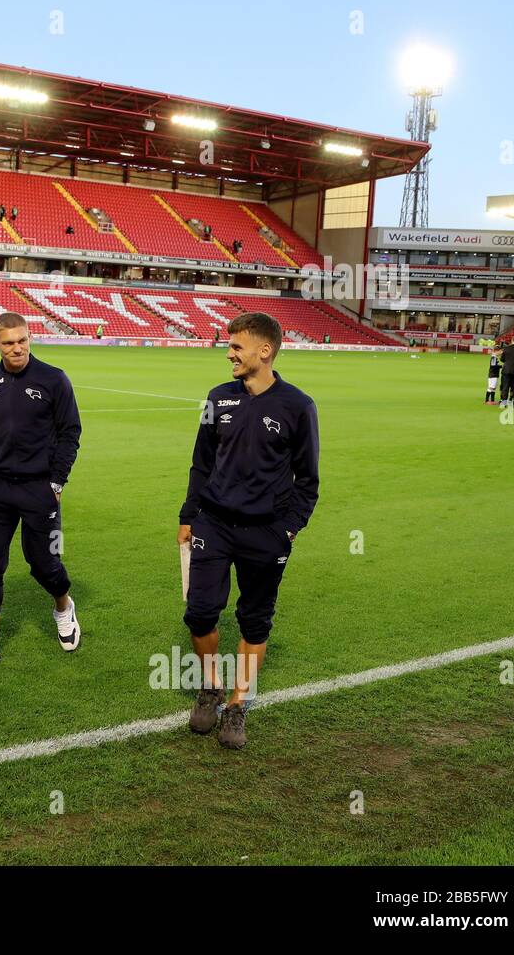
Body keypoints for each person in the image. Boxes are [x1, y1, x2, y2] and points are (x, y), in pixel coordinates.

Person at [178, 312, 319, 749]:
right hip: (214, 524)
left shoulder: (298, 406)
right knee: (200, 611)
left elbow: (308, 480)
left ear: (265, 350)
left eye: (237, 347)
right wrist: (189, 515)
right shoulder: (217, 397)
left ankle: (237, 704)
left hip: (267, 532)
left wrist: (289, 529)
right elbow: (201, 462)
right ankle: (211, 687)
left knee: (255, 619)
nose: (229, 353)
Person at [0, 312, 82, 674]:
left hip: (38, 488)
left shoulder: (53, 379)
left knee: (43, 563)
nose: (18, 348)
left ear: (30, 338)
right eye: (9, 342)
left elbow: (70, 432)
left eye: (23, 340)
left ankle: (63, 606)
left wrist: (57, 480)